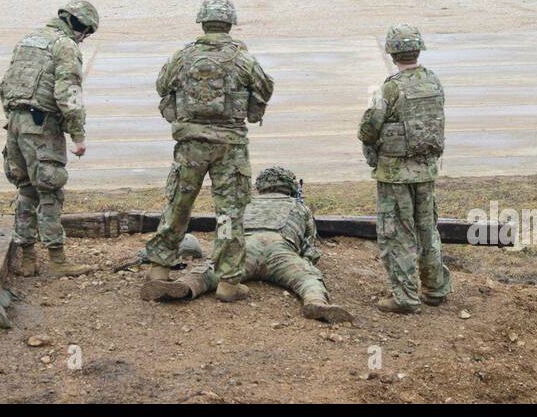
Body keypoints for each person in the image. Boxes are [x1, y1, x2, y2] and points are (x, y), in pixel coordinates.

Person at [142, 0, 274, 302]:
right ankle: (228, 281)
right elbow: (265, 88)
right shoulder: (242, 58)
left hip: (190, 144)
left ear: (202, 22)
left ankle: (160, 267)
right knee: (229, 212)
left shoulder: (184, 56)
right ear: (230, 24)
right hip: (230, 146)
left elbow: (162, 85)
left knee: (178, 203)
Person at [142, 166, 353, 323]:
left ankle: (184, 286)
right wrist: (305, 262)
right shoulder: (299, 207)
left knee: (209, 273)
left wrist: (220, 254)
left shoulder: (245, 203)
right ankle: (315, 302)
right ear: (290, 187)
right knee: (307, 279)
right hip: (281, 248)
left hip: (244, 246)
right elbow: (310, 247)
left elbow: (224, 229)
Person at [0, 0, 98, 277]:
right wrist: (78, 135)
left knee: (26, 191)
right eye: (86, 33)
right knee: (50, 190)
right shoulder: (65, 46)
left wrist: (14, 119)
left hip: (15, 124)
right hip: (41, 125)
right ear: (80, 27)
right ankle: (57, 260)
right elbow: (69, 94)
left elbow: (5, 85)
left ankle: (28, 259)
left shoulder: (28, 41)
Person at [358, 23, 452, 314]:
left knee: (397, 233)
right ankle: (436, 288)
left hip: (395, 174)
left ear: (392, 52)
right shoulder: (433, 82)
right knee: (427, 230)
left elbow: (370, 127)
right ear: (417, 49)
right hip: (425, 170)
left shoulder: (391, 87)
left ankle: (405, 297)